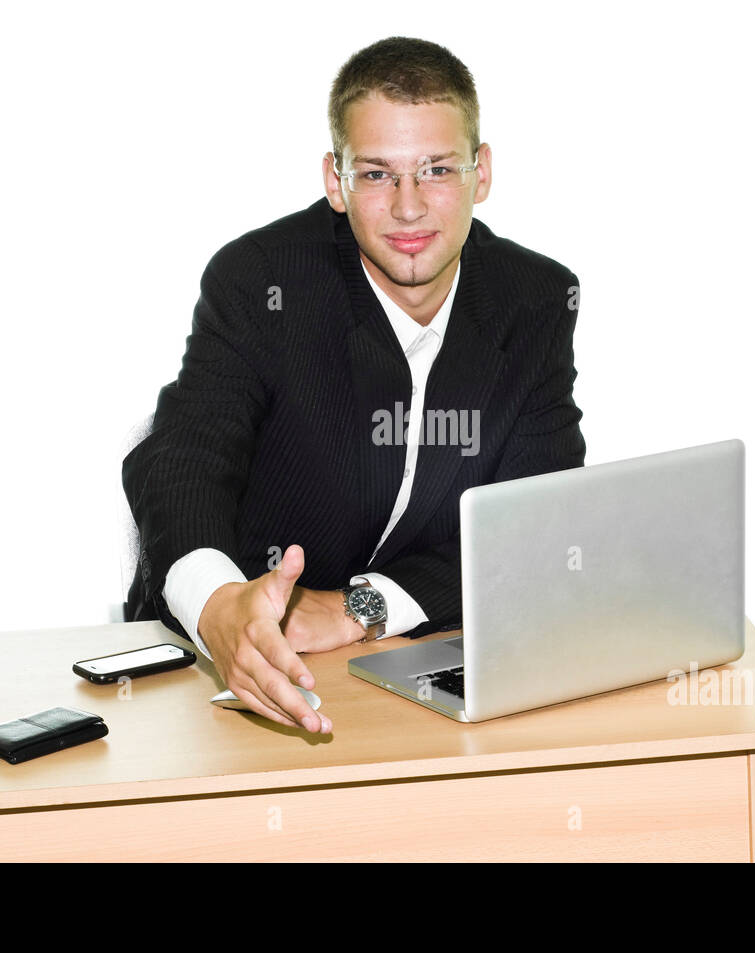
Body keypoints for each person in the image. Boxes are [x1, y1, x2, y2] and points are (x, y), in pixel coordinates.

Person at [122, 36, 585, 735]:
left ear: (481, 173)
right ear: (335, 181)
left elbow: (532, 525)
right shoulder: (260, 281)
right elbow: (183, 462)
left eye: (436, 169)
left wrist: (358, 606)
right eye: (375, 174)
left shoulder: (536, 299)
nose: (408, 207)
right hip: (238, 674)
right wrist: (220, 608)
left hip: (416, 659)